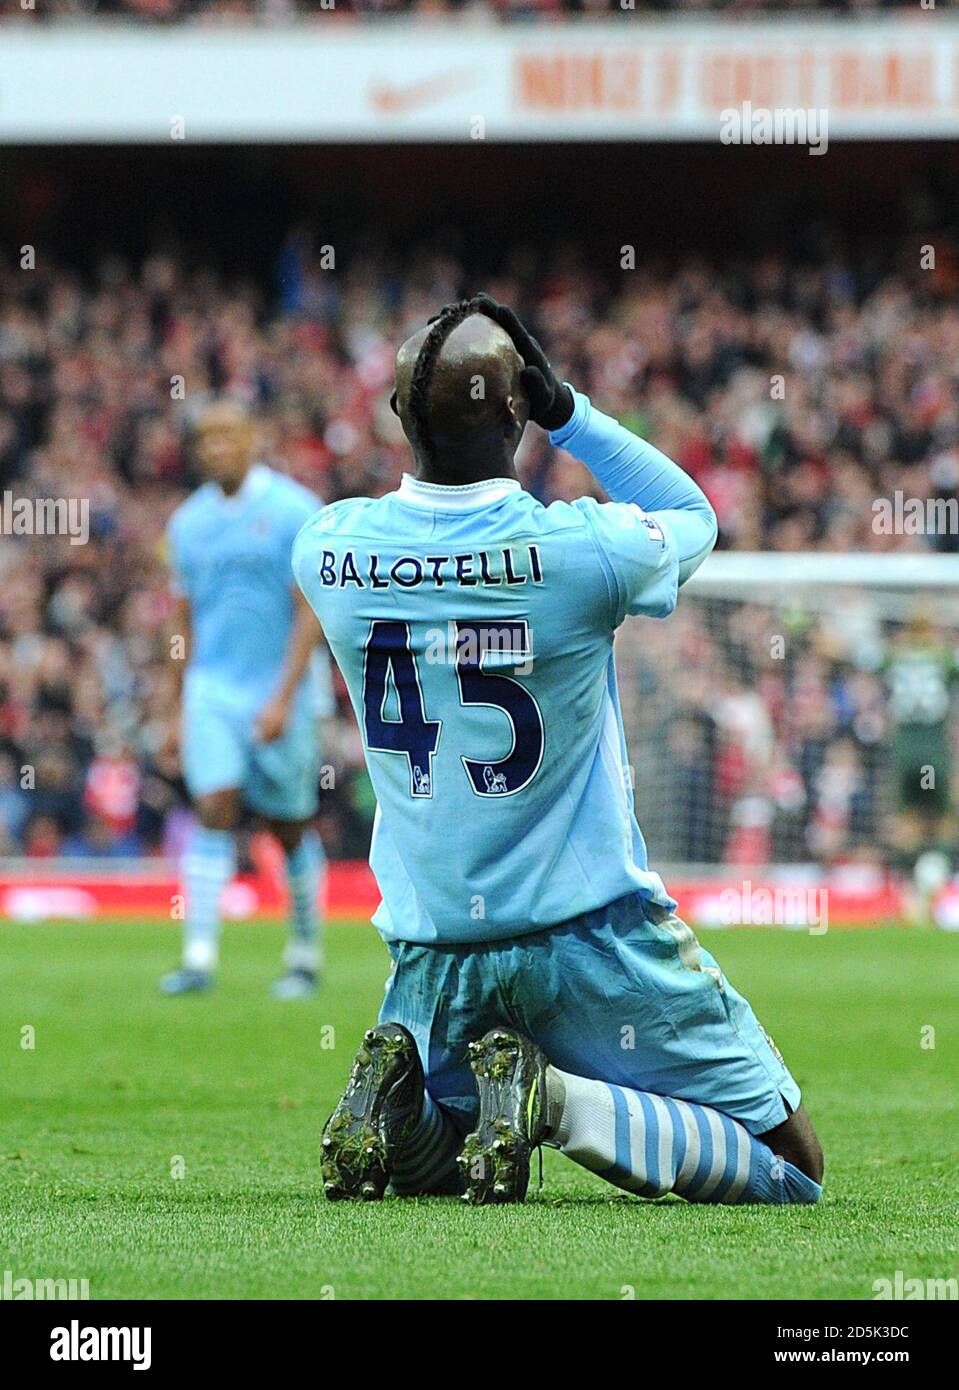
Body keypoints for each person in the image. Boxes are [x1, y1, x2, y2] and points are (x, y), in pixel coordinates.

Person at [294, 297, 823, 1203]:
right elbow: (690, 509)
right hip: (588, 934)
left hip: (433, 946)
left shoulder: (329, 548)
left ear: (396, 416)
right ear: (516, 412)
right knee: (791, 1167)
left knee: (450, 1148)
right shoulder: (583, 549)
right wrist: (570, 410)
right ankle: (557, 1105)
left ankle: (406, 1106)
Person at [160, 398, 331, 1000]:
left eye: (226, 436)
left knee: (287, 826)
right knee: (213, 808)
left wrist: (285, 696)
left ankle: (305, 954)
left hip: (279, 686)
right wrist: (173, 704)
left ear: (253, 438)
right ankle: (199, 958)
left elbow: (309, 610)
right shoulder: (186, 523)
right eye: (204, 439)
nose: (215, 448)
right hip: (212, 689)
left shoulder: (292, 510)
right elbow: (180, 620)